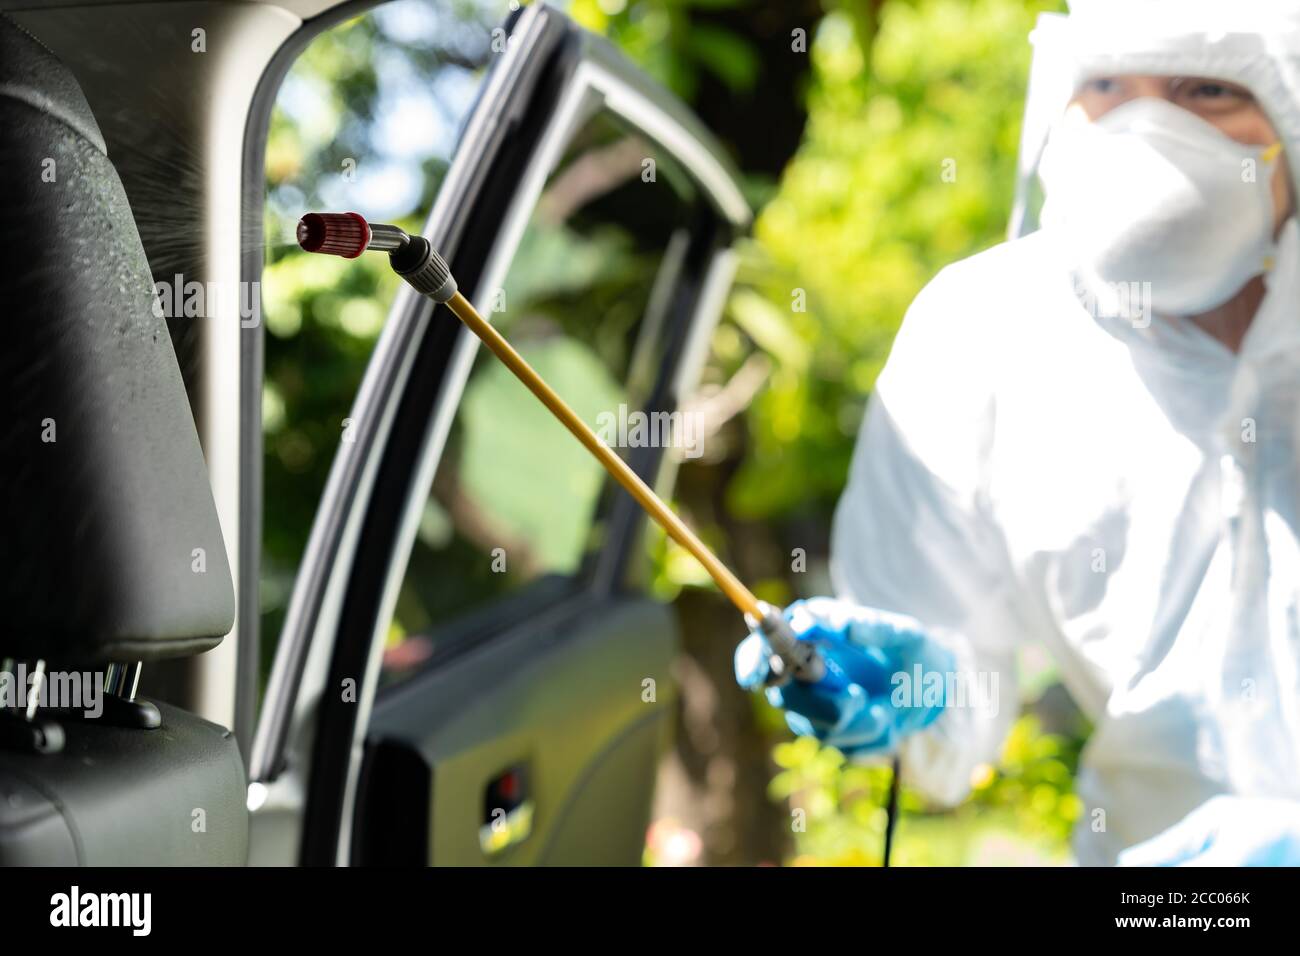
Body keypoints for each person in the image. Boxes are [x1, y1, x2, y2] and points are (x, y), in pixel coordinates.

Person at [736, 0, 1300, 866]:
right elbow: (955, 732)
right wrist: (918, 688)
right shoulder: (982, 338)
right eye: (1107, 84)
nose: (1149, 131)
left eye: (1207, 88)